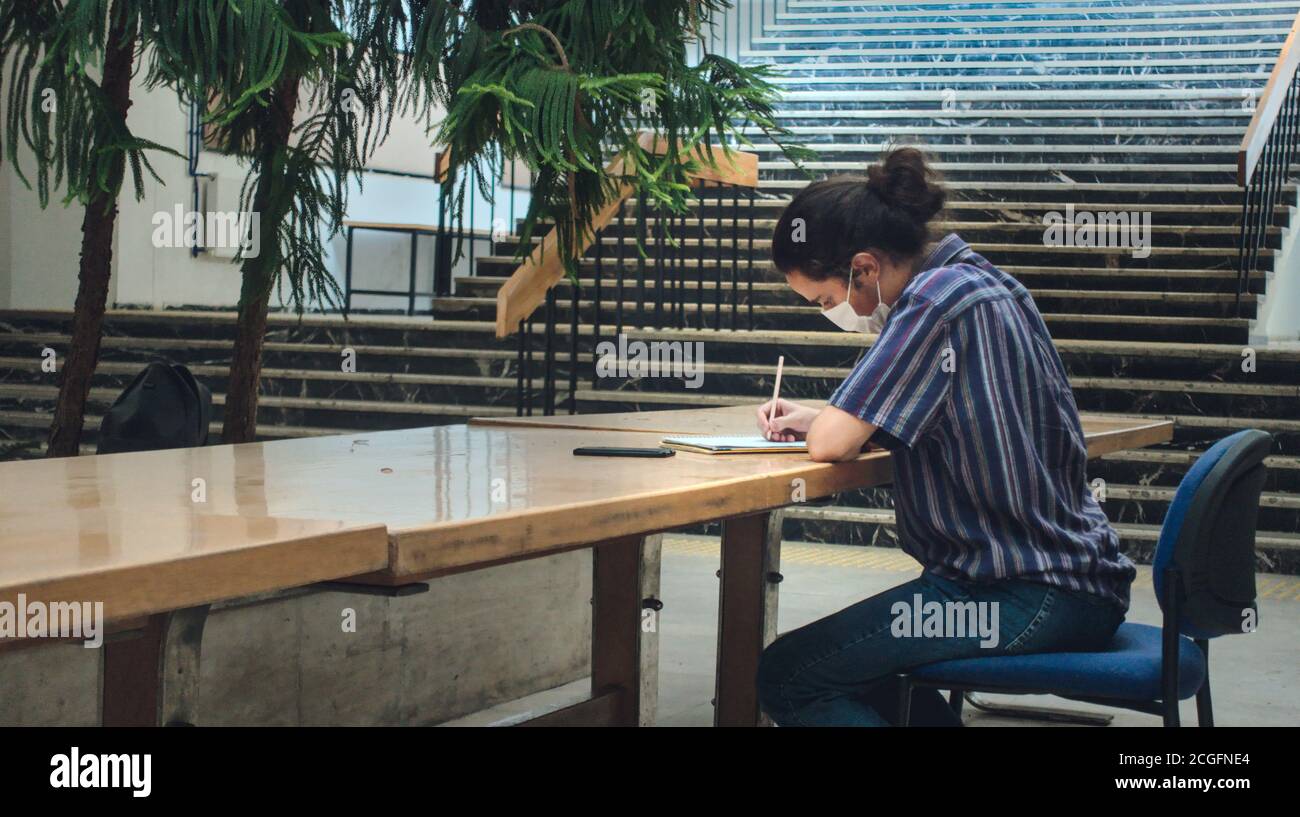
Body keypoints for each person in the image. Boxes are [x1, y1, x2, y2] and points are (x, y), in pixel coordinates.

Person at [754, 147, 1134, 726]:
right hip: (1075, 581)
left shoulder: (932, 303)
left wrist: (829, 421)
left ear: (864, 267)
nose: (833, 314)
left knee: (790, 675)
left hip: (1018, 596)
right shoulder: (984, 282)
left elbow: (831, 444)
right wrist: (823, 414)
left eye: (827, 301)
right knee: (855, 665)